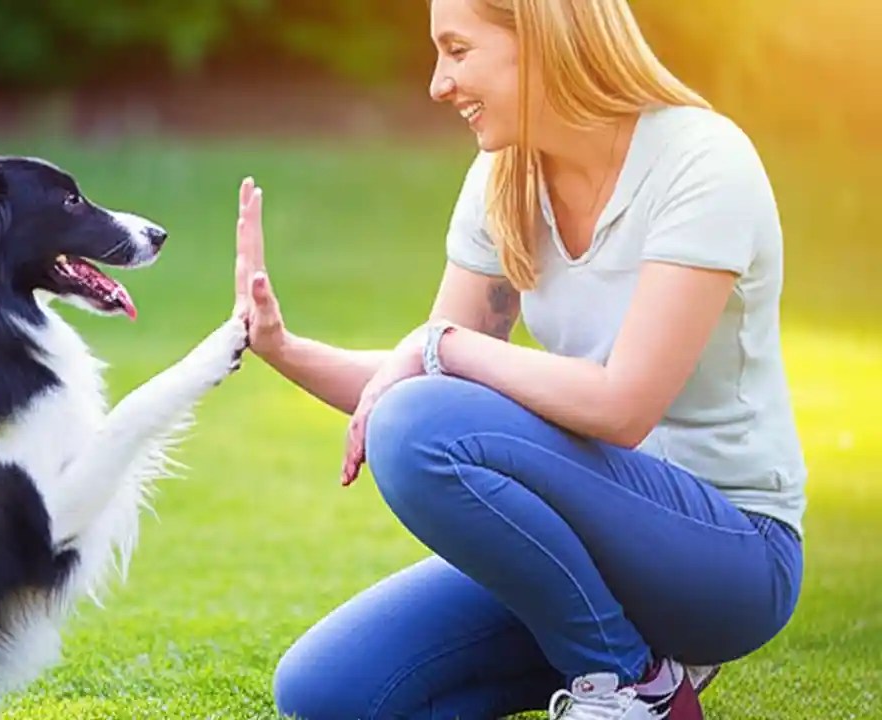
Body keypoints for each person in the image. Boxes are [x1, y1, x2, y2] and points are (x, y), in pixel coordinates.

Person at [230, 0, 806, 718]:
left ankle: (631, 685)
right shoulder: (502, 179)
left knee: (416, 421)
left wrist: (437, 347)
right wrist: (282, 349)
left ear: (540, 38)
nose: (439, 84)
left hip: (729, 556)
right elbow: (417, 389)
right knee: (328, 693)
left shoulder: (703, 161)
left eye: (458, 50)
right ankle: (629, 671)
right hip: (586, 547)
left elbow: (621, 408)